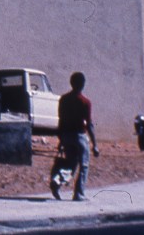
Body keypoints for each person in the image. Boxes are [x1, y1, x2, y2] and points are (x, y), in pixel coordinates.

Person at [50, 71, 99, 201]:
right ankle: (79, 193)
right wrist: (95, 145)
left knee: (70, 163)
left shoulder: (64, 99)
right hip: (79, 136)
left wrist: (61, 139)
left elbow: (61, 120)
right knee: (84, 165)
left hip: (66, 135)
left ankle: (58, 180)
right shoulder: (85, 102)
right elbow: (89, 124)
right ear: (83, 84)